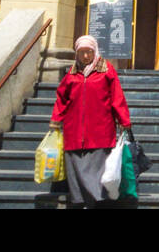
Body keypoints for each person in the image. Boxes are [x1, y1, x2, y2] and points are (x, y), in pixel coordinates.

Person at [49, 34, 131, 208]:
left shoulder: (107, 71)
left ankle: (97, 202)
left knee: (96, 172)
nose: (85, 56)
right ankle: (81, 201)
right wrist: (56, 119)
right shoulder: (71, 74)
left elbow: (117, 97)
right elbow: (61, 99)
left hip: (100, 132)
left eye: (89, 52)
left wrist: (124, 120)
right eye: (82, 52)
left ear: (95, 51)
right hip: (74, 132)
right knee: (76, 170)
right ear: (76, 54)